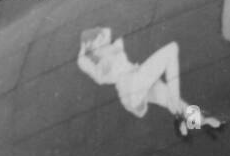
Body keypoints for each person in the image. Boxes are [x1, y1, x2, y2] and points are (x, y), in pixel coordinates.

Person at [76, 28, 222, 138]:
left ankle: (200, 121)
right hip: (130, 86)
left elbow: (107, 32)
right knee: (171, 49)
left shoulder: (112, 47)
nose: (101, 41)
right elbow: (83, 61)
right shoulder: (98, 65)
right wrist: (85, 48)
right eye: (96, 42)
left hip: (137, 85)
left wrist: (94, 41)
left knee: (170, 99)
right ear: (90, 47)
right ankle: (180, 116)